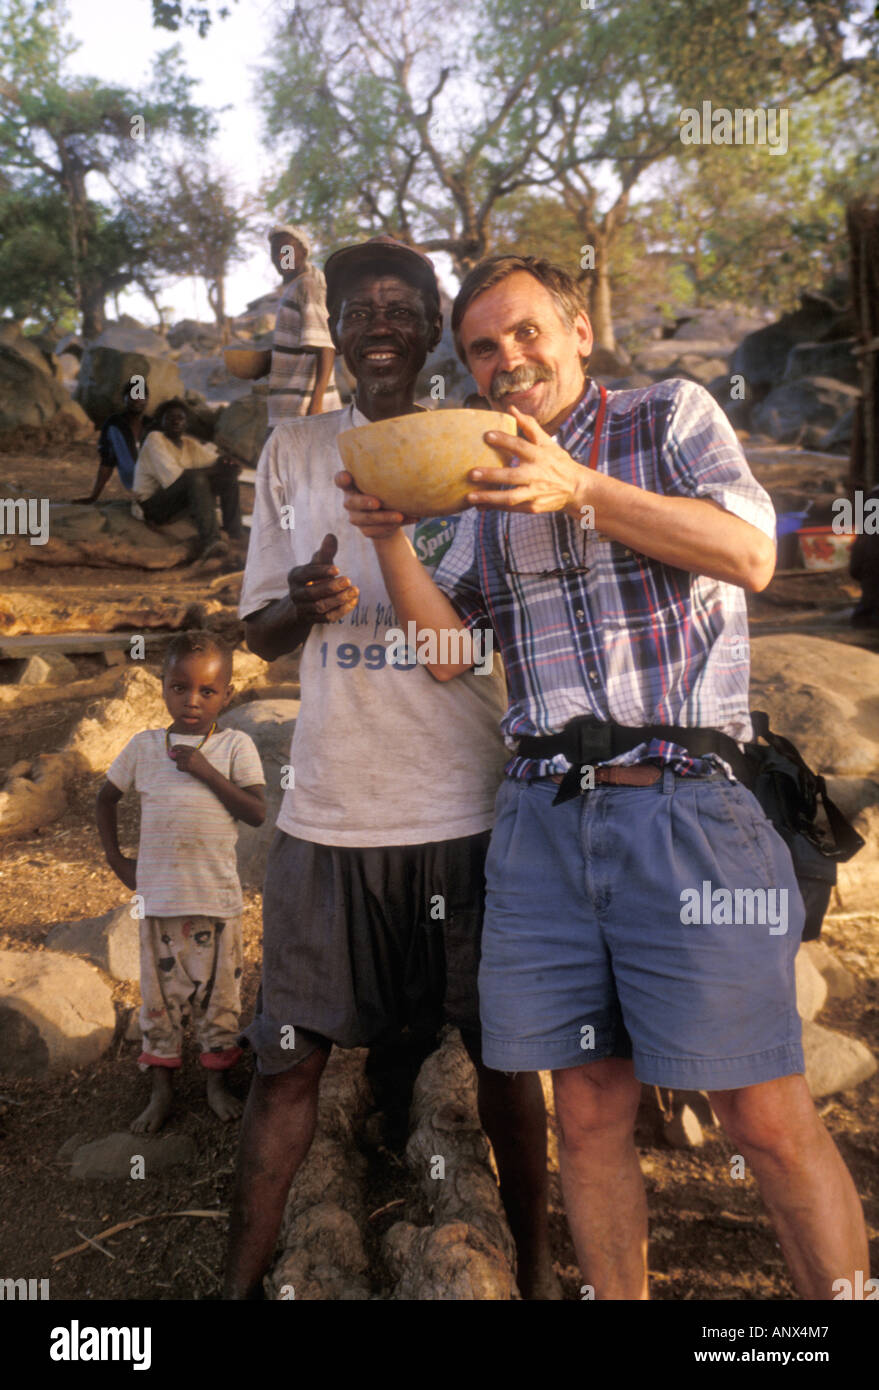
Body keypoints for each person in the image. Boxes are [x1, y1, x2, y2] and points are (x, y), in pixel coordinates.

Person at [340, 253, 869, 1300]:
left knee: (760, 1113)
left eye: (527, 332)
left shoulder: (667, 418)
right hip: (541, 823)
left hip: (687, 808)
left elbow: (752, 555)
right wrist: (395, 539)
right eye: (483, 347)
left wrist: (579, 487)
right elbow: (446, 650)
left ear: (578, 331)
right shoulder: (477, 479)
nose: (508, 360)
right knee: (584, 1106)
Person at [223, 236, 558, 1301]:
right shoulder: (294, 452)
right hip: (332, 814)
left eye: (402, 305)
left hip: (467, 807)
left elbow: (488, 634)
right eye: (359, 304)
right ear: (343, 327)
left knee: (506, 1061)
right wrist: (304, 598)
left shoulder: (486, 449)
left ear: (432, 332)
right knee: (288, 1070)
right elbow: (261, 641)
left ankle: (538, 1265)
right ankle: (234, 1283)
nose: (378, 321)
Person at [96, 630, 266, 1134]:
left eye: (207, 691)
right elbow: (106, 799)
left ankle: (215, 1085)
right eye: (179, 687)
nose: (192, 700)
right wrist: (118, 861)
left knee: (220, 1003)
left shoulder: (236, 745)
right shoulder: (144, 747)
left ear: (227, 695)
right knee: (159, 1001)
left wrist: (206, 772)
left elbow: (256, 811)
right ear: (163, 687)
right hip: (161, 904)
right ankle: (161, 1091)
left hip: (217, 904)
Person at [133, 398, 245, 560]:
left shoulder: (188, 443)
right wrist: (216, 468)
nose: (176, 422)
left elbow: (213, 460)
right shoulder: (155, 439)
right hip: (153, 506)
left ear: (186, 423)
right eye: (170, 418)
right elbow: (175, 477)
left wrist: (228, 463)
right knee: (194, 477)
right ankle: (211, 541)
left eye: (181, 418)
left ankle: (234, 533)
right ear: (161, 421)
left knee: (228, 475)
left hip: (176, 502)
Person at [266, 223, 341, 428]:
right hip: (288, 409)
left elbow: (326, 346)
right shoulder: (294, 286)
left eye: (287, 251)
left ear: (304, 252)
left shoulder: (307, 286)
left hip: (304, 409)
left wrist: (316, 405)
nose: (282, 258)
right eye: (277, 252)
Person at [73, 378, 151, 505]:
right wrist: (93, 497)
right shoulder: (114, 425)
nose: (137, 399)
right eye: (132, 395)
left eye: (141, 395)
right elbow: (107, 463)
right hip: (136, 483)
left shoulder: (153, 425)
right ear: (124, 398)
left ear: (147, 400)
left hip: (158, 480)